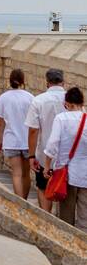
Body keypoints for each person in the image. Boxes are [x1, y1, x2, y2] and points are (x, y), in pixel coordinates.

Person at [43, 86, 87, 231]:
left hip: (66, 175)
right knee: (84, 217)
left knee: (65, 218)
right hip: (85, 175)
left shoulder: (61, 119)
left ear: (67, 103)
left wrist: (47, 165)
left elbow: (52, 144)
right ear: (82, 103)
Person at [26, 68, 67, 213]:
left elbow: (33, 130)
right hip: (67, 156)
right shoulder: (71, 100)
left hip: (44, 155)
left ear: (47, 82)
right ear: (63, 81)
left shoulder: (38, 100)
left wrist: (31, 156)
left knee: (43, 187)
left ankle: (46, 217)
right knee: (65, 189)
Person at [0, 68, 34, 200]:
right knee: (26, 173)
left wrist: (0, 141)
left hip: (11, 140)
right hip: (27, 141)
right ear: (23, 81)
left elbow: (0, 123)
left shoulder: (4, 98)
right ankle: (25, 201)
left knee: (16, 173)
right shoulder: (30, 98)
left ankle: (19, 202)